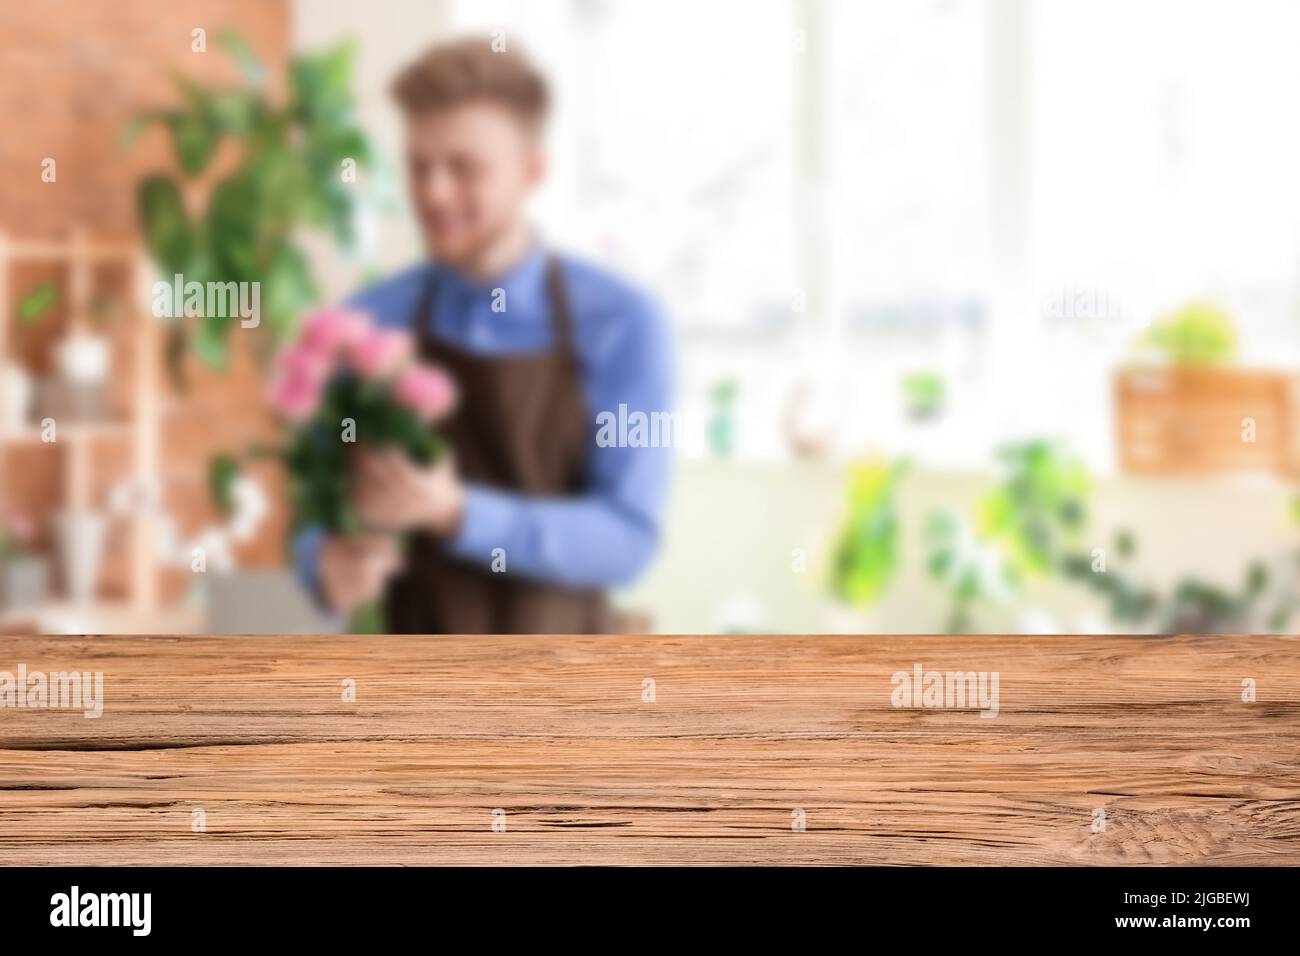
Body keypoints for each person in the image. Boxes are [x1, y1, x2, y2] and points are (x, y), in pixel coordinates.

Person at [293, 37, 674, 633]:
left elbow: (629, 540)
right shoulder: (366, 322)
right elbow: (312, 512)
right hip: (409, 704)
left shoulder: (626, 323)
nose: (434, 192)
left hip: (574, 705)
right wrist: (322, 560)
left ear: (532, 171)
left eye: (464, 168)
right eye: (419, 166)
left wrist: (458, 513)